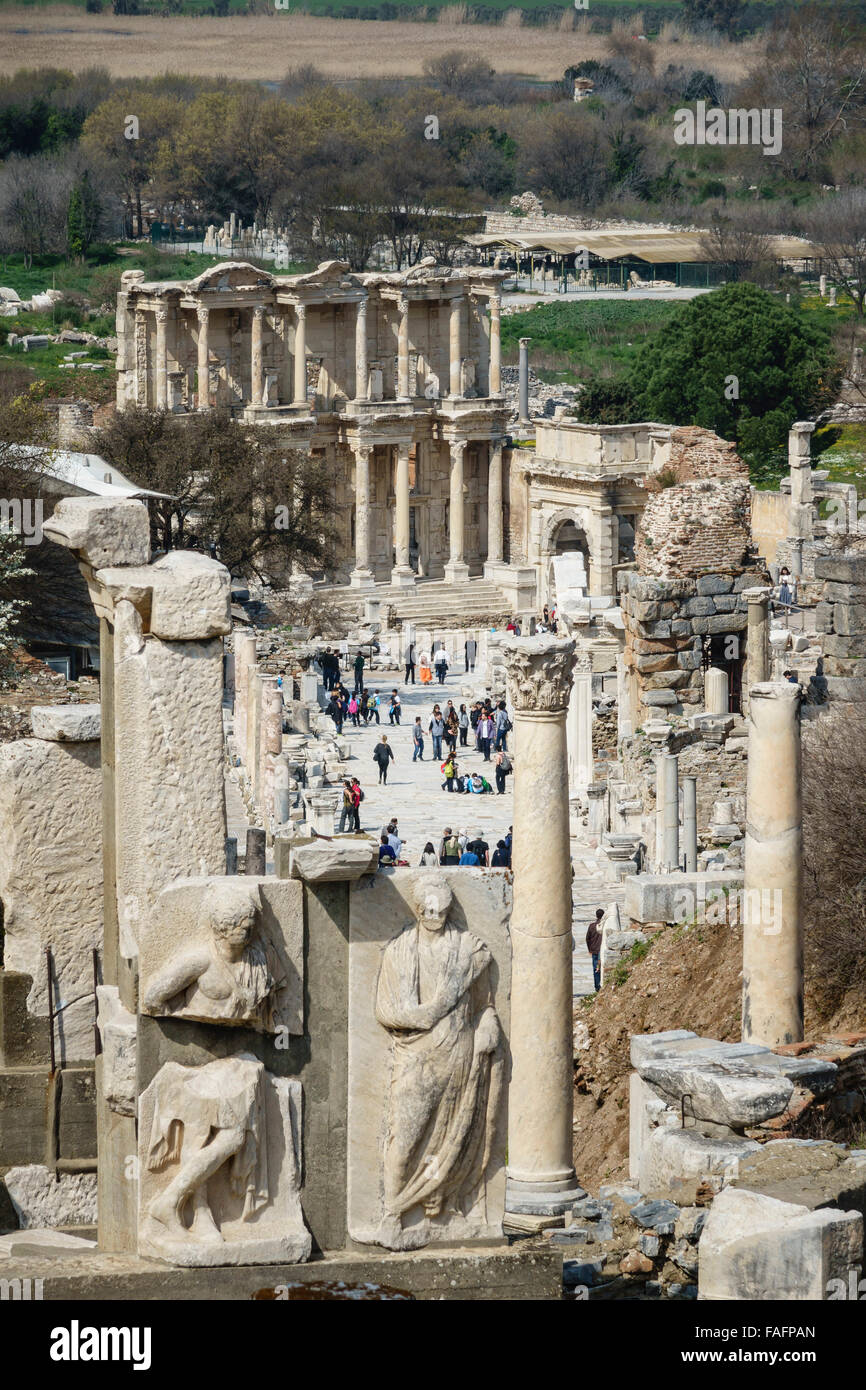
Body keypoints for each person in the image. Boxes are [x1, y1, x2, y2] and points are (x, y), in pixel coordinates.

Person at [586, 909, 604, 993]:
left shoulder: (592, 926)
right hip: (602, 950)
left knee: (596, 969)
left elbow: (587, 938)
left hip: (595, 950)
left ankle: (597, 986)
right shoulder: (604, 925)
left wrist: (589, 949)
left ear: (596, 916)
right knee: (602, 967)